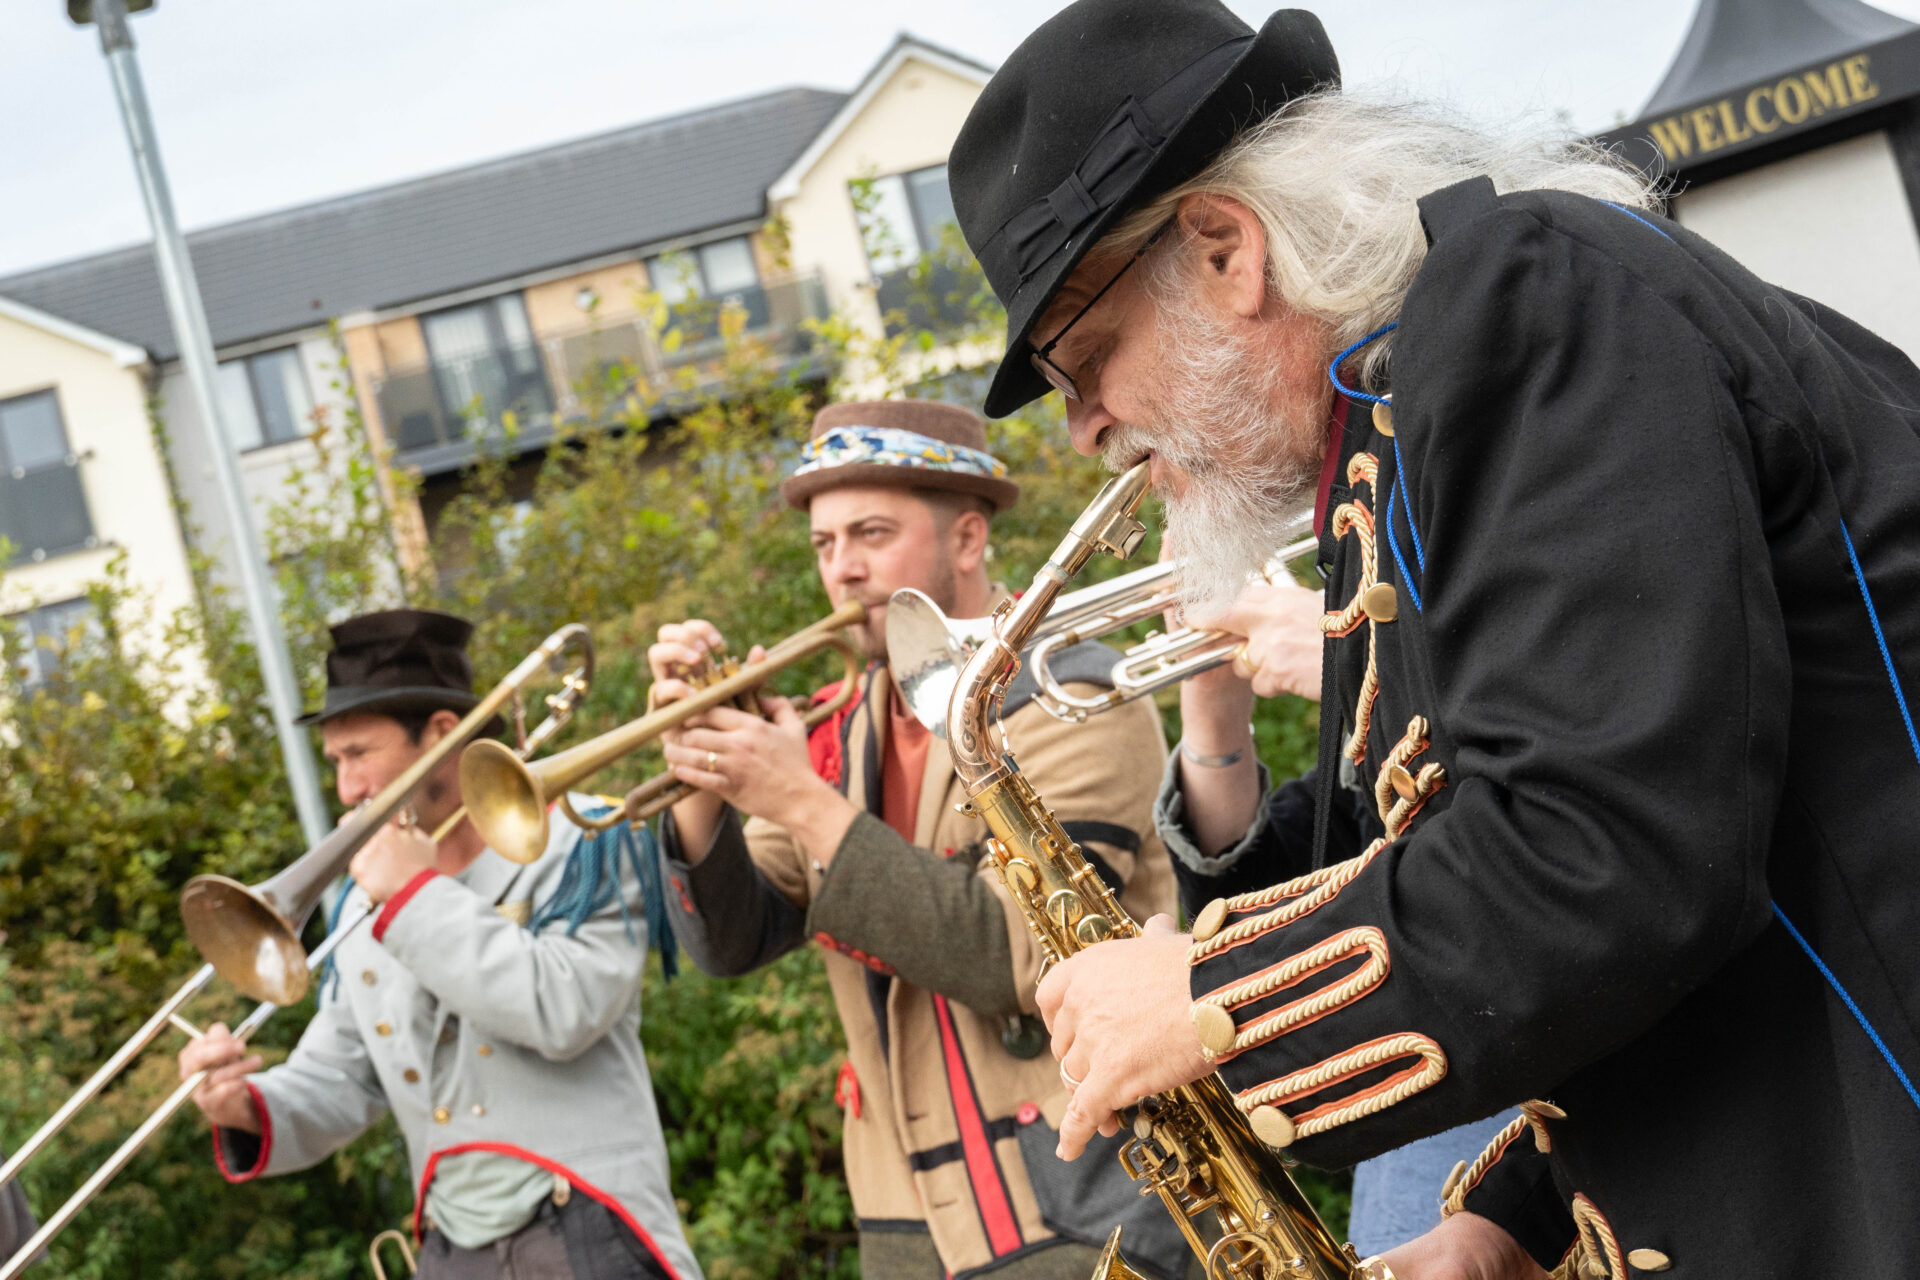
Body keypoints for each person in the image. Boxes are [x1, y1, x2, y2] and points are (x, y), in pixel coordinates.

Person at [945, 4, 1920, 1278]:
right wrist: (1509, 1221)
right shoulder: (1401, 439)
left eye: (1084, 361)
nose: (1085, 428)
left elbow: (1615, 853)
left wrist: (1212, 994)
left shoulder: (1525, 291)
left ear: (1226, 249)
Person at [638, 399, 1193, 1280]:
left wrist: (798, 799)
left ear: (967, 541)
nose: (842, 570)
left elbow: (1013, 954)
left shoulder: (1069, 691)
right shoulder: (847, 727)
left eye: (869, 534)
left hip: (1079, 1209)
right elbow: (736, 939)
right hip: (904, 1229)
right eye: (825, 544)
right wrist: (705, 777)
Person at [179, 609, 701, 1280]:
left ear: (441, 735)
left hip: (590, 1229)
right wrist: (244, 1105)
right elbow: (345, 1077)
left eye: (360, 754)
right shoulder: (361, 900)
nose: (346, 788)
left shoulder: (585, 836)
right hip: (454, 1250)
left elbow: (564, 1009)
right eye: (335, 760)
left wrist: (413, 896)